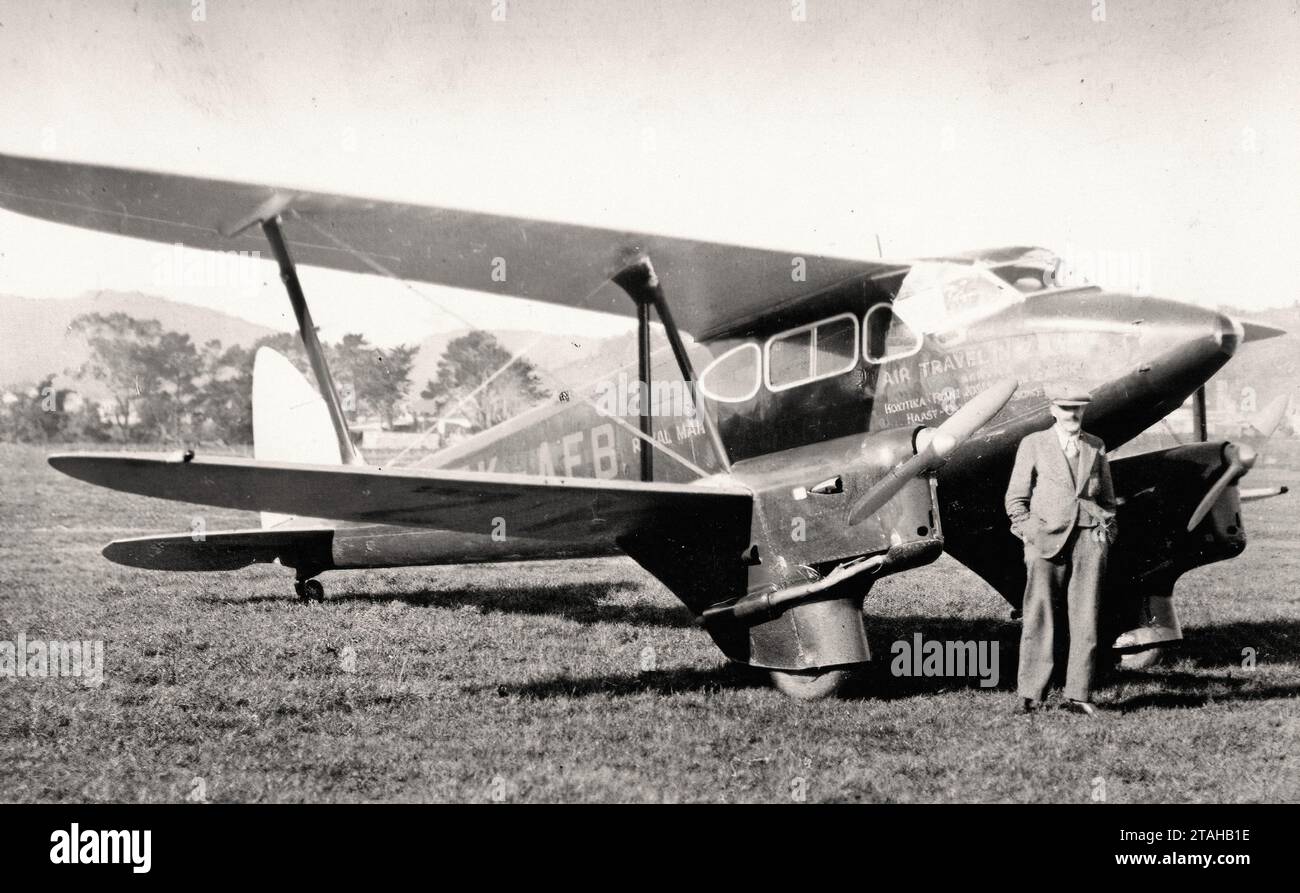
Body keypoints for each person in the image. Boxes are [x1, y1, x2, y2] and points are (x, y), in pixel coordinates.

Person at [1005, 383, 1118, 717]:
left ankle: (1079, 695)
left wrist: (1105, 531)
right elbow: (1015, 498)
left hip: (1089, 540)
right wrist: (1029, 533)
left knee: (1086, 617)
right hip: (1045, 541)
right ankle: (1030, 694)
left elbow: (1108, 497)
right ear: (1053, 410)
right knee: (1040, 615)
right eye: (1066, 408)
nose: (1073, 414)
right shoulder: (1034, 444)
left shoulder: (1095, 446)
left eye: (1078, 408)